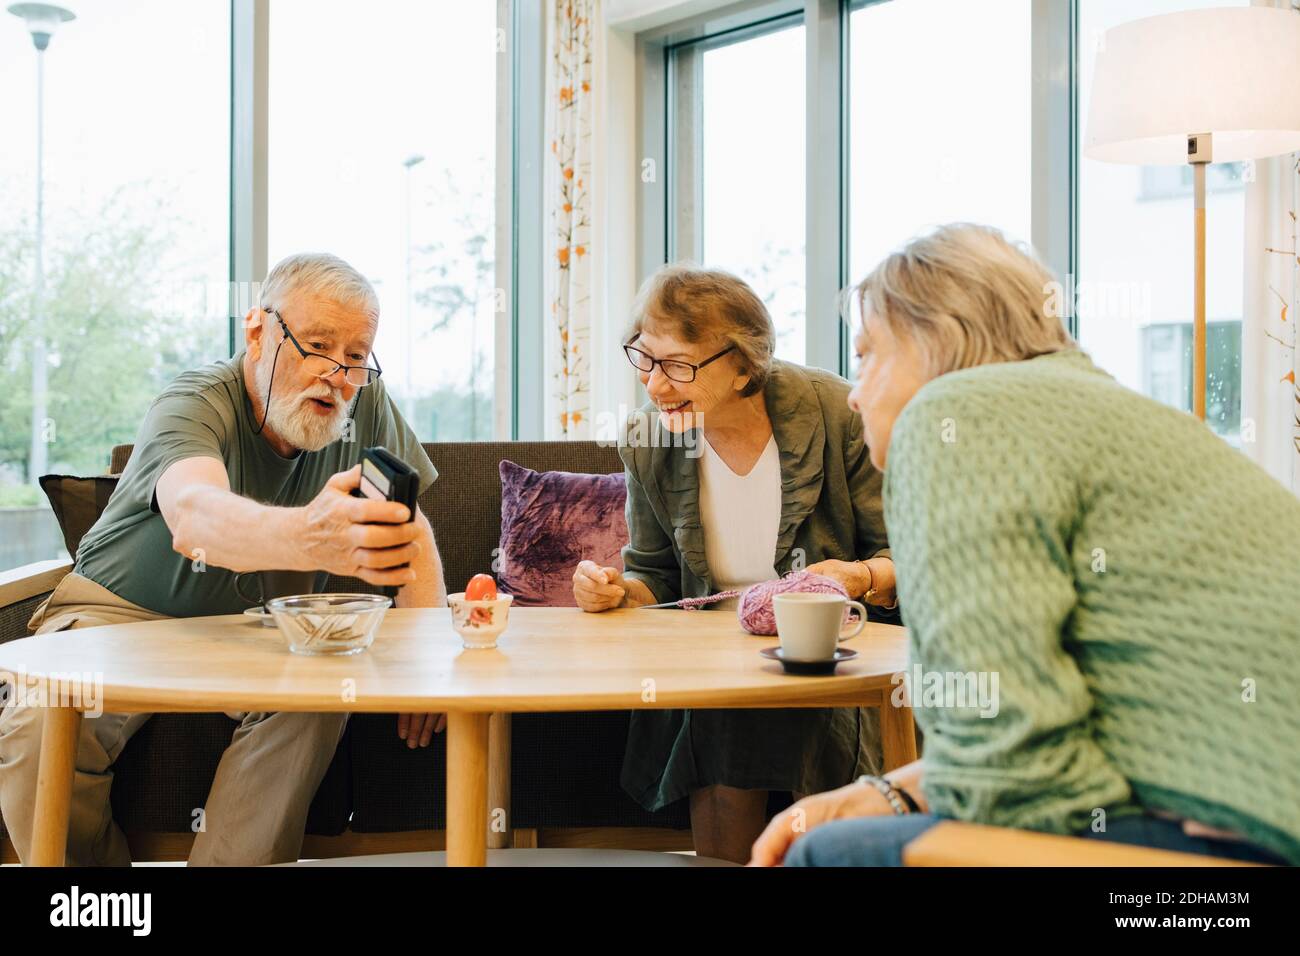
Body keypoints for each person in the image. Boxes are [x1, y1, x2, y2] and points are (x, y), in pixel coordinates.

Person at [751, 223, 1300, 867]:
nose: (855, 392)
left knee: (826, 856)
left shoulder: (959, 415)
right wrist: (895, 790)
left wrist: (905, 798)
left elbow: (1016, 778)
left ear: (937, 338)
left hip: (1236, 846)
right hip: (1249, 814)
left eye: (868, 354)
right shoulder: (1111, 411)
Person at [0, 252, 448, 866]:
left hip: (261, 630)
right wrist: (312, 537)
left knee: (319, 695)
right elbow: (194, 515)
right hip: (118, 617)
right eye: (317, 345)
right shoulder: (195, 401)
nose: (337, 375)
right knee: (35, 726)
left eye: (354, 356)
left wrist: (426, 666)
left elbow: (410, 527)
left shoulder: (366, 404)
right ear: (259, 331)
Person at [572, 265, 897, 863]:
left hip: (835, 649)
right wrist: (614, 591)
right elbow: (656, 578)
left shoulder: (838, 414)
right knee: (721, 711)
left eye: (679, 365)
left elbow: (900, 556)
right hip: (716, 655)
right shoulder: (651, 440)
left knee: (819, 720)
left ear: (746, 364)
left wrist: (856, 577)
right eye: (644, 359)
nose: (655, 385)